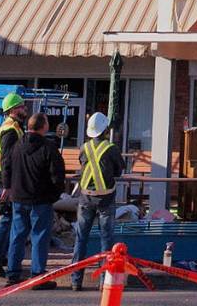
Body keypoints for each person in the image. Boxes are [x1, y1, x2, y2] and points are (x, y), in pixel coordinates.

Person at [3, 112, 65, 289]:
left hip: (19, 198)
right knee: (40, 237)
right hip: (41, 200)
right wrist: (55, 195)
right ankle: (37, 276)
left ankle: (13, 274)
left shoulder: (17, 145)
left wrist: (9, 187)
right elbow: (57, 175)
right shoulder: (48, 147)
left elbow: (6, 165)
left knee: (17, 236)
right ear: (43, 126)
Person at [71, 111, 124, 292]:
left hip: (86, 198)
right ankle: (104, 281)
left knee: (81, 239)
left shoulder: (84, 147)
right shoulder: (111, 148)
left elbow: (82, 163)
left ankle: (76, 280)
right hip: (106, 199)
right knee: (106, 240)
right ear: (105, 129)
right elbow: (119, 170)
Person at [0, 93, 27, 278]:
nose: (25, 109)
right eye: (21, 106)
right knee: (7, 220)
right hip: (3, 181)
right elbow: (6, 160)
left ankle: (0, 256)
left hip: (3, 180)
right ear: (13, 110)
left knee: (9, 219)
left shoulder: (13, 128)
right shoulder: (10, 130)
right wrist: (8, 186)